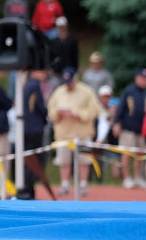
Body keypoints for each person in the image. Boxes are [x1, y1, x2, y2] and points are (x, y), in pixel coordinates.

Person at [46, 67, 102, 197]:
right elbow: (51, 110)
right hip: (63, 134)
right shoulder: (59, 92)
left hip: (82, 133)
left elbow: (93, 111)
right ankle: (65, 184)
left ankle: (83, 185)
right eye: (66, 82)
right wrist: (58, 113)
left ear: (75, 79)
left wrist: (78, 114)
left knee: (84, 161)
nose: (68, 84)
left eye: (70, 81)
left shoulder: (87, 91)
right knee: (64, 161)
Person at [113, 67, 146, 189]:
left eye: (145, 78)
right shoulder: (129, 91)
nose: (143, 80)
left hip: (141, 129)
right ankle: (127, 178)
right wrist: (117, 123)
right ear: (136, 78)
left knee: (140, 154)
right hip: (128, 128)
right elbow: (121, 108)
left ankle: (138, 177)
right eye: (141, 78)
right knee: (127, 153)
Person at [18, 68, 49, 200]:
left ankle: (27, 187)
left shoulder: (26, 85)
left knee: (28, 159)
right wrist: (44, 116)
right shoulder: (34, 85)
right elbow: (38, 107)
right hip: (33, 128)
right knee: (33, 161)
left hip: (26, 127)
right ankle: (27, 189)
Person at [47, 16, 78, 85]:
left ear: (67, 26)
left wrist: (74, 70)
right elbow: (51, 56)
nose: (62, 28)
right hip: (57, 72)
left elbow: (75, 56)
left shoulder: (72, 40)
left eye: (63, 26)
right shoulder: (53, 42)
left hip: (69, 70)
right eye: (60, 27)